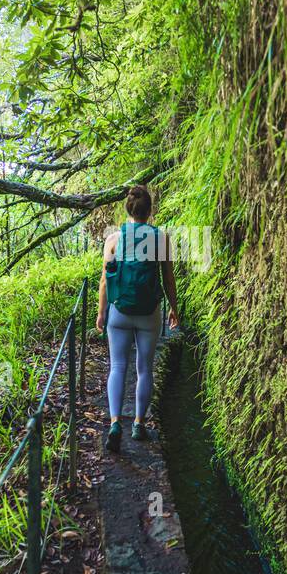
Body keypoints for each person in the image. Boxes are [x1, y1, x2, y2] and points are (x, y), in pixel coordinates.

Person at [95, 184, 178, 452]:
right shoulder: (161, 238)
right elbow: (168, 280)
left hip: (119, 312)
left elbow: (105, 282)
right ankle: (139, 424)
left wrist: (101, 312)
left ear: (127, 209)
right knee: (145, 368)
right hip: (149, 314)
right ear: (149, 210)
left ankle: (115, 422)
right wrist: (174, 309)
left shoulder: (114, 239)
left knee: (118, 366)